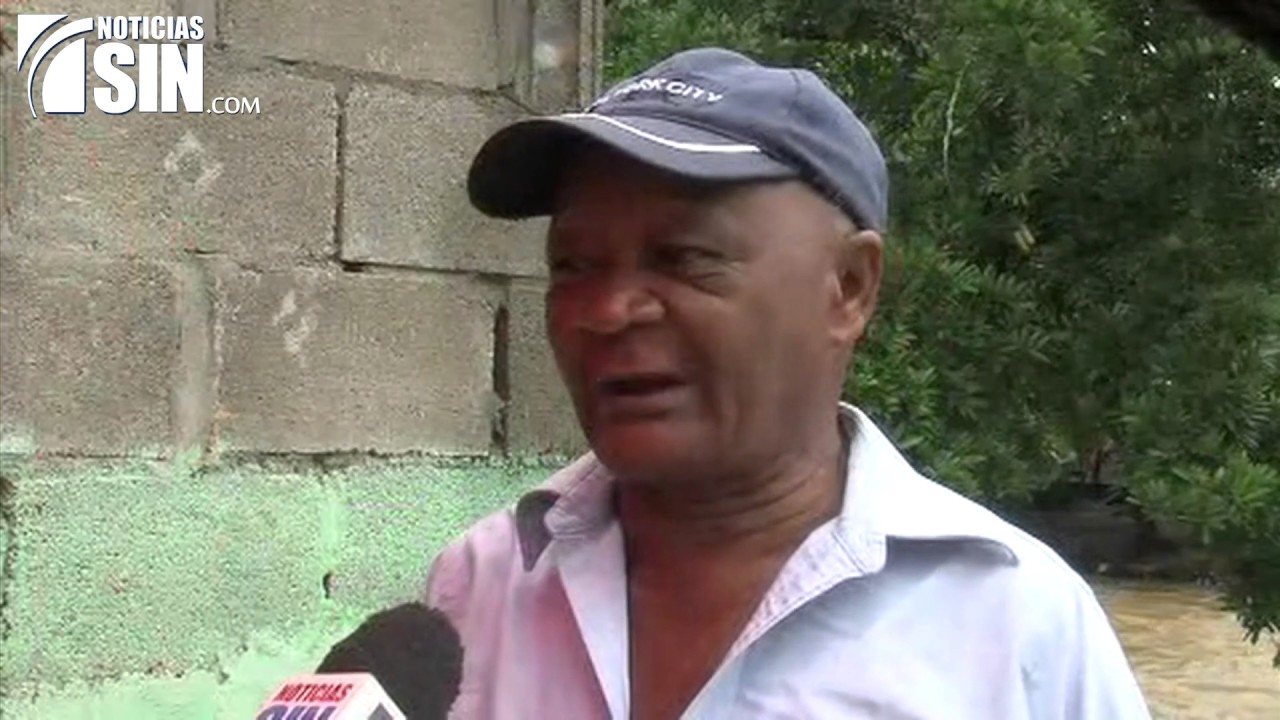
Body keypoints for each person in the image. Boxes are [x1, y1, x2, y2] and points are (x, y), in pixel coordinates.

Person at [424, 47, 1152, 719]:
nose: (609, 311)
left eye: (683, 258)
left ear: (849, 287)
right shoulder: (481, 584)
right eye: (574, 266)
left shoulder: (1015, 622)